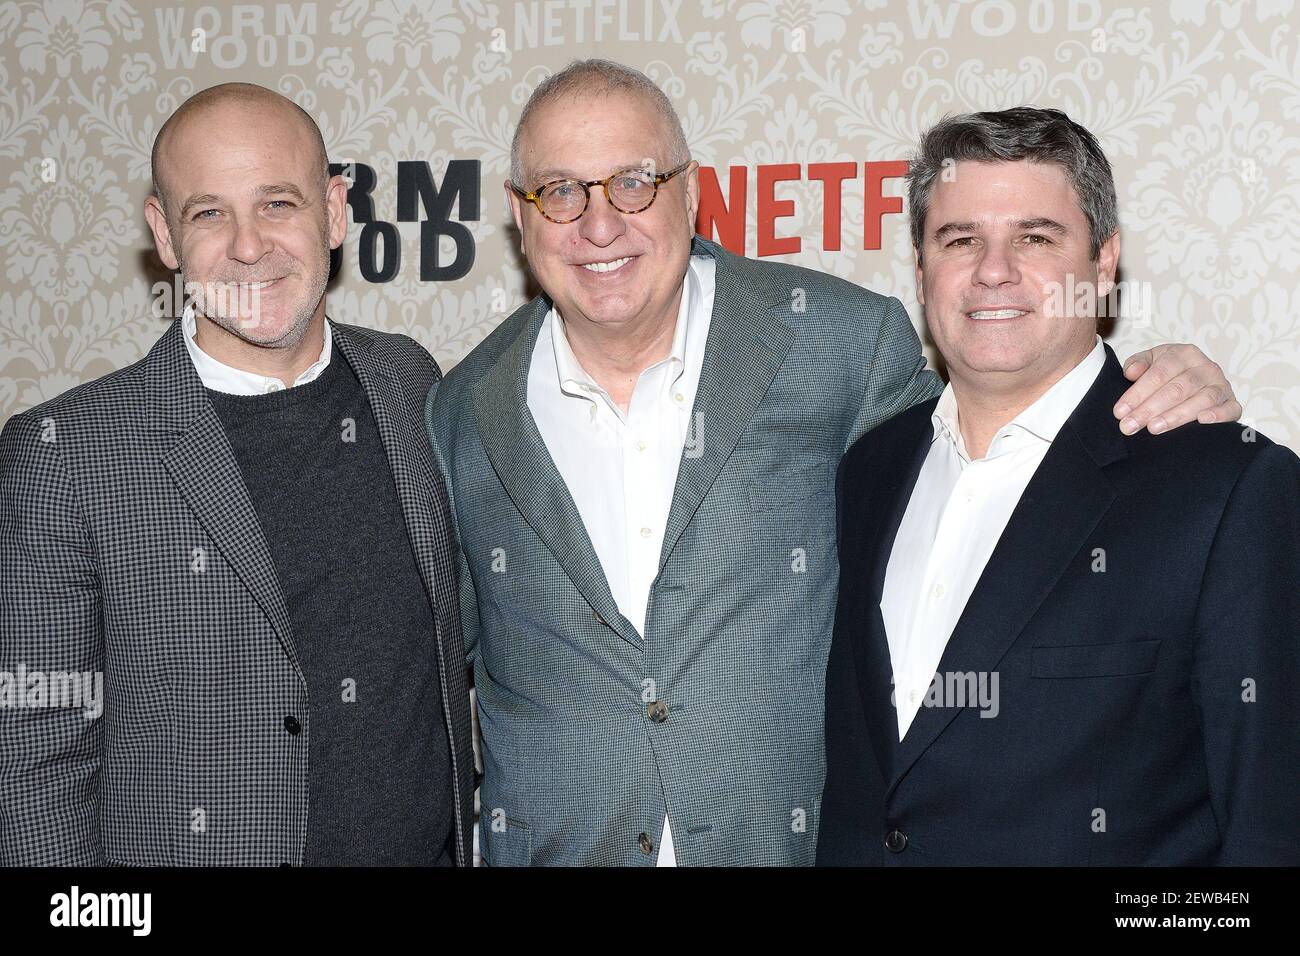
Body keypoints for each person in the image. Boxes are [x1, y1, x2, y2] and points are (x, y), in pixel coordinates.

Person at [425, 60, 1240, 866]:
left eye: (634, 181)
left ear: (690, 189)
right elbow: (427, 666)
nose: (599, 224)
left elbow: (1001, 458)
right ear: (519, 216)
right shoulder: (464, 406)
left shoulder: (842, 344)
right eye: (560, 190)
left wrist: (1144, 383)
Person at [0, 83, 473, 866]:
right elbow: (33, 757)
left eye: (279, 203)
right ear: (165, 233)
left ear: (335, 210)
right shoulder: (64, 454)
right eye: (209, 213)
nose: (249, 246)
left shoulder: (408, 382)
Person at [818, 107, 1300, 866]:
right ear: (919, 269)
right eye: (959, 239)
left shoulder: (1228, 489)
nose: (994, 269)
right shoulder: (867, 472)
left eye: (1036, 238)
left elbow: (1272, 824)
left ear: (1104, 263)